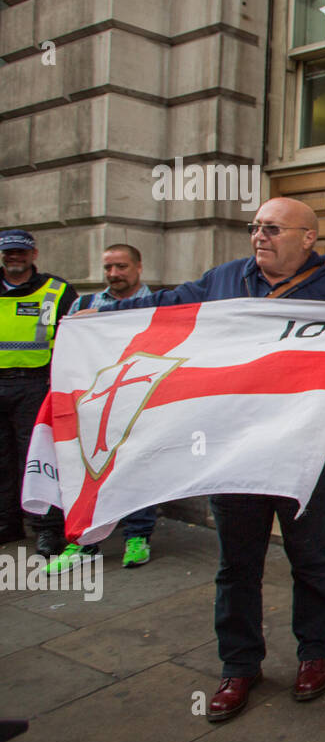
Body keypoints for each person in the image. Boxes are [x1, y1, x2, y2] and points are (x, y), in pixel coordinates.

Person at [87, 198, 325, 721]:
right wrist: (102, 314)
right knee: (236, 566)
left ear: (307, 239)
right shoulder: (223, 281)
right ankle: (238, 666)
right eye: (255, 227)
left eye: (273, 229)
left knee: (311, 560)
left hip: (302, 454)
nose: (260, 236)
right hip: (231, 452)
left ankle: (313, 657)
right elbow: (167, 308)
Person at [49, 245, 158, 572]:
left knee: (139, 467)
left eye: (121, 267)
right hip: (96, 401)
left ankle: (138, 537)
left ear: (139, 266)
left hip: (144, 399)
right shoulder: (83, 304)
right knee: (91, 471)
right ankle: (84, 542)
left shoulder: (162, 305)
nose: (113, 274)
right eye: (108, 267)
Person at [0, 228, 76, 554]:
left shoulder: (57, 290)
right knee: (1, 460)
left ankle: (47, 529)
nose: (14, 258)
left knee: (39, 459)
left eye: (20, 252)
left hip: (35, 384)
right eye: (8, 253)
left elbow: (74, 336)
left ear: (33, 254)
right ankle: (7, 524)